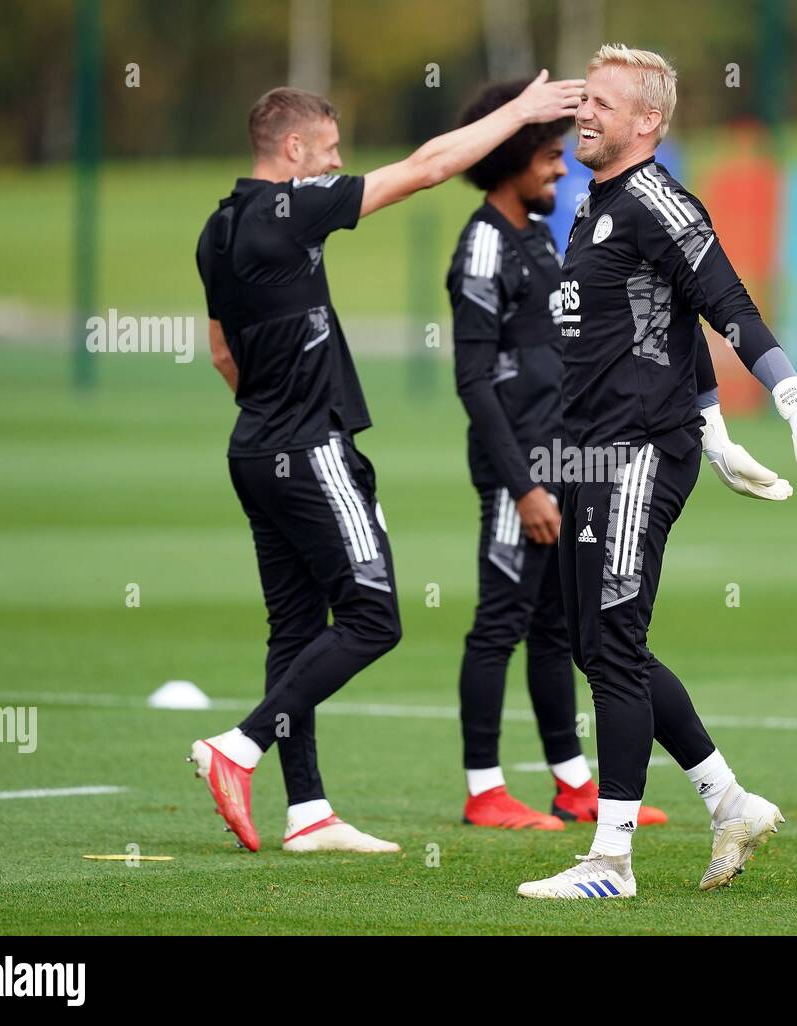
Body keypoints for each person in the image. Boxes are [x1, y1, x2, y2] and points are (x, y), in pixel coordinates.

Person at [517, 45, 797, 900]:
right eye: (585, 99)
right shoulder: (595, 201)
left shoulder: (656, 199)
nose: (585, 113)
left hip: (638, 451)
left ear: (650, 122)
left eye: (604, 102)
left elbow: (726, 303)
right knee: (596, 641)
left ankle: (611, 861)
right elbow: (660, 328)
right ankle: (730, 801)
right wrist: (715, 433)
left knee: (611, 649)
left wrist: (795, 402)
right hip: (591, 450)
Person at [191, 75, 584, 853]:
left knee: (295, 630)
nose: (339, 166)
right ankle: (236, 749)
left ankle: (307, 813)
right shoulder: (291, 207)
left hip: (254, 451)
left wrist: (274, 404)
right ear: (294, 149)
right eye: (331, 152)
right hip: (309, 450)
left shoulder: (216, 226)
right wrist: (519, 111)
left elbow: (220, 355)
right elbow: (429, 167)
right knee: (374, 618)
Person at [446, 80, 669, 832]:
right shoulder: (482, 241)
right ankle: (484, 790)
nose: (558, 170)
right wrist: (522, 487)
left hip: (566, 466)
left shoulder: (544, 235)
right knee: (499, 623)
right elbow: (473, 381)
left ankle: (573, 783)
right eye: (546, 157)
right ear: (508, 161)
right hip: (522, 478)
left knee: (554, 629)